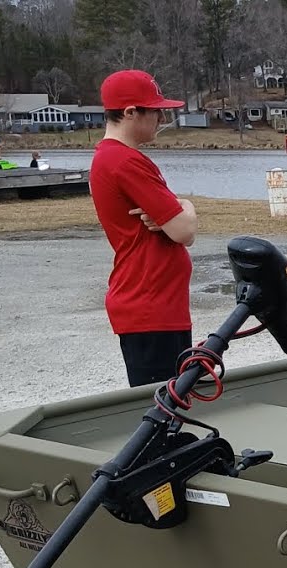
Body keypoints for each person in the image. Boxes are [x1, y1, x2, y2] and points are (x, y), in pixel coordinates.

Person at [89, 69, 198, 387]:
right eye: (154, 110)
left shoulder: (112, 158)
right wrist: (186, 206)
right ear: (129, 113)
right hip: (150, 306)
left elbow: (173, 222)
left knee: (173, 402)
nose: (161, 118)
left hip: (156, 305)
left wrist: (175, 209)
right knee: (164, 407)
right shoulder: (125, 161)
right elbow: (184, 231)